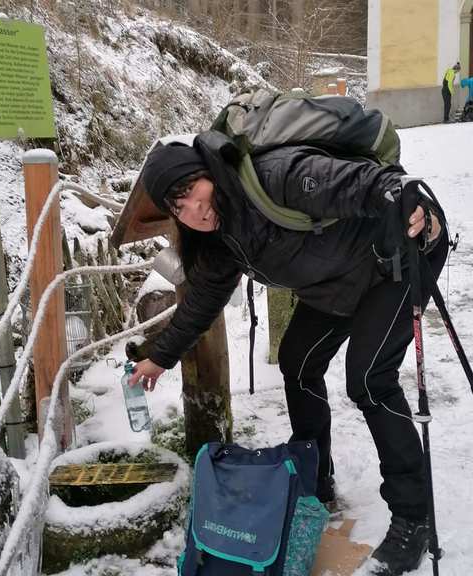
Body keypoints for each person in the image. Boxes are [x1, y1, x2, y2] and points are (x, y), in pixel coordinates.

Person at [129, 131, 448, 576]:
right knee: (298, 362)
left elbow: (357, 182)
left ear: (208, 172)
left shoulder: (275, 177)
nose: (192, 211)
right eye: (177, 207)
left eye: (190, 191)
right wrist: (160, 356)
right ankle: (315, 479)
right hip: (334, 283)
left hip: (394, 254)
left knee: (370, 379)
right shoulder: (222, 238)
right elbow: (201, 302)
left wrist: (416, 210)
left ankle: (413, 521)